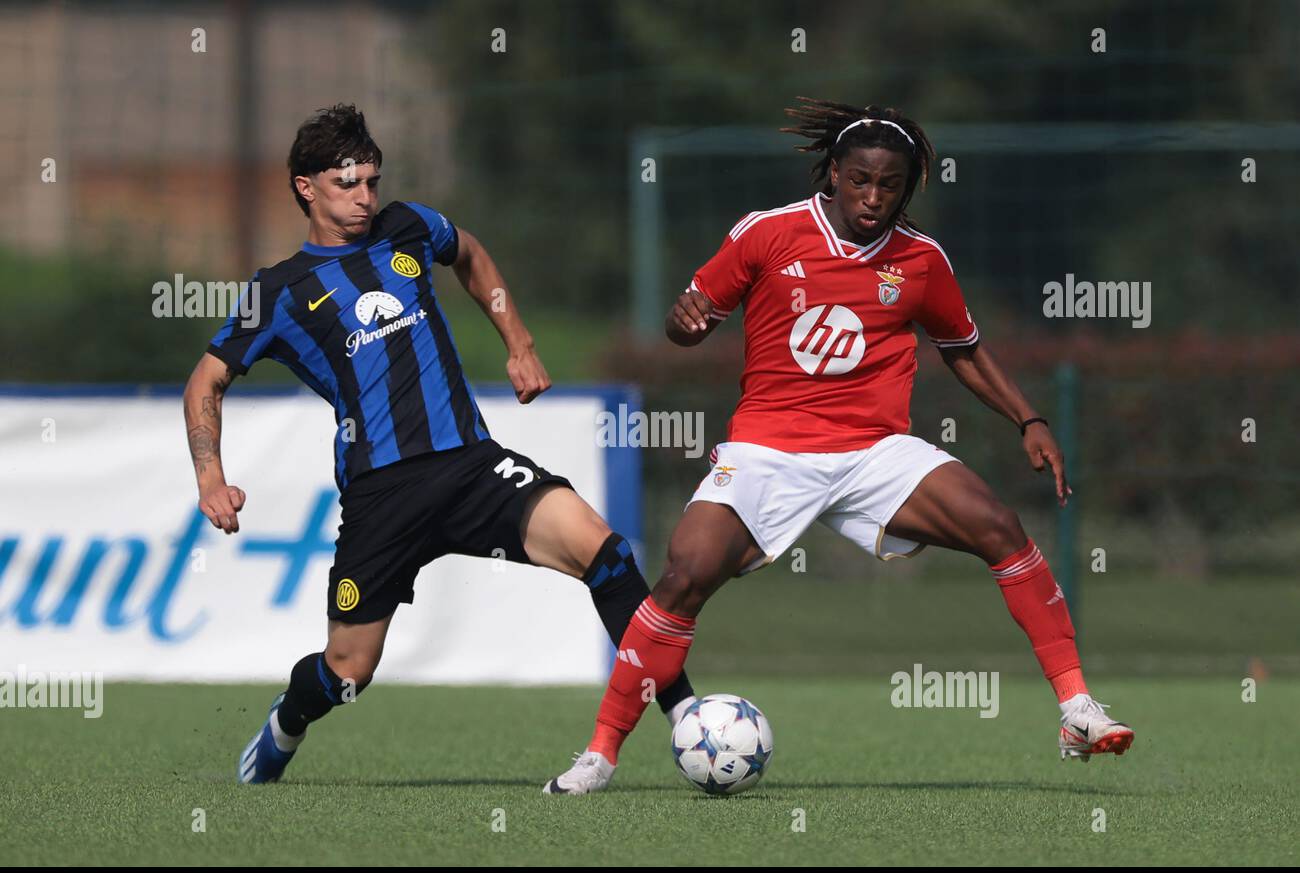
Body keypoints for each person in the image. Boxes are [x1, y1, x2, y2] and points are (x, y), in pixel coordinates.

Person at [543, 98, 1134, 796]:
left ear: (906, 189)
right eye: (860, 180)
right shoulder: (769, 234)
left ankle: (1075, 708)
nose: (872, 197)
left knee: (999, 527)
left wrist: (1028, 419)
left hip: (874, 450)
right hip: (768, 448)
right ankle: (600, 755)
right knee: (683, 574)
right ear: (832, 173)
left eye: (889, 186)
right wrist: (684, 324)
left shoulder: (920, 260)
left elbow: (963, 350)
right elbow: (690, 319)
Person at [181, 103, 696, 783]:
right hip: (381, 497)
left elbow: (473, 255)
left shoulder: (409, 226)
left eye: (372, 180)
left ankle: (688, 719)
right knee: (348, 674)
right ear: (306, 187)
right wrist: (210, 477)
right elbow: (205, 383)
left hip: (470, 466)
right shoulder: (277, 291)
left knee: (604, 552)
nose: (366, 197)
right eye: (348, 184)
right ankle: (288, 721)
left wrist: (519, 341)